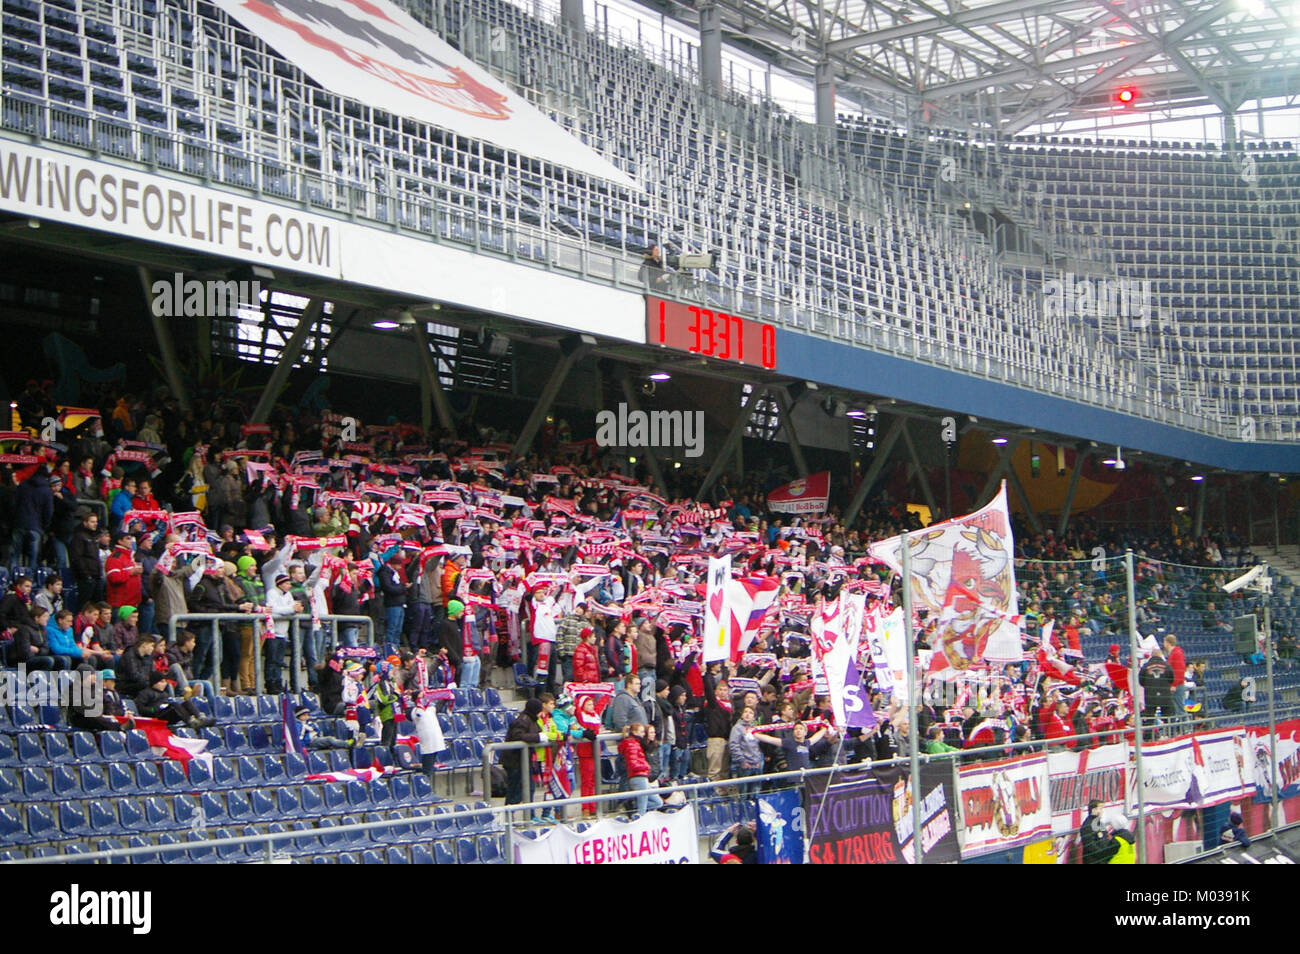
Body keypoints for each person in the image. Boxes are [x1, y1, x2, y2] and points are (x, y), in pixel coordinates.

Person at [504, 698, 545, 806]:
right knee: (515, 791)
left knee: (529, 789)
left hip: (526, 760)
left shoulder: (533, 720)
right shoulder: (522, 720)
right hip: (515, 761)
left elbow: (538, 731)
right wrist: (537, 737)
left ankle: (528, 813)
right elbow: (517, 736)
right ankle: (509, 813)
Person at [619, 722, 663, 817]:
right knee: (642, 808)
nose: (644, 734)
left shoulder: (635, 743)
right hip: (638, 776)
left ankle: (632, 806)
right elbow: (633, 763)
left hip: (641, 776)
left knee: (658, 802)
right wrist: (646, 766)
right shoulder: (632, 744)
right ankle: (638, 817)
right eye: (642, 732)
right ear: (635, 732)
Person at [753, 720, 832, 769]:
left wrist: (825, 727)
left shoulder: (807, 742)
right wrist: (754, 734)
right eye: (796, 729)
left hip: (805, 776)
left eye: (801, 729)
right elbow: (770, 739)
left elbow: (817, 736)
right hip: (793, 776)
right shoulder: (789, 742)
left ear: (805, 732)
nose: (798, 731)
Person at [1079, 799, 1120, 864]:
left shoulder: (1099, 823)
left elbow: (1105, 839)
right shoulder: (1087, 826)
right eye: (1100, 809)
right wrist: (1103, 854)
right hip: (1093, 861)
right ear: (1093, 810)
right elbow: (1090, 845)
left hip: (1102, 860)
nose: (1102, 811)